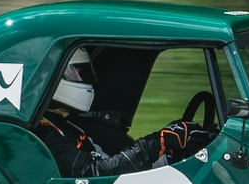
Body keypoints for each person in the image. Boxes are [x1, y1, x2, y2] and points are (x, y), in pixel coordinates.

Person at [34, 49, 214, 177]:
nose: (84, 79)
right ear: (51, 77)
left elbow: (111, 161)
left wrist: (169, 154)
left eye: (85, 72)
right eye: (76, 73)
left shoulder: (68, 126)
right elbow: (93, 174)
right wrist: (157, 142)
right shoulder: (43, 135)